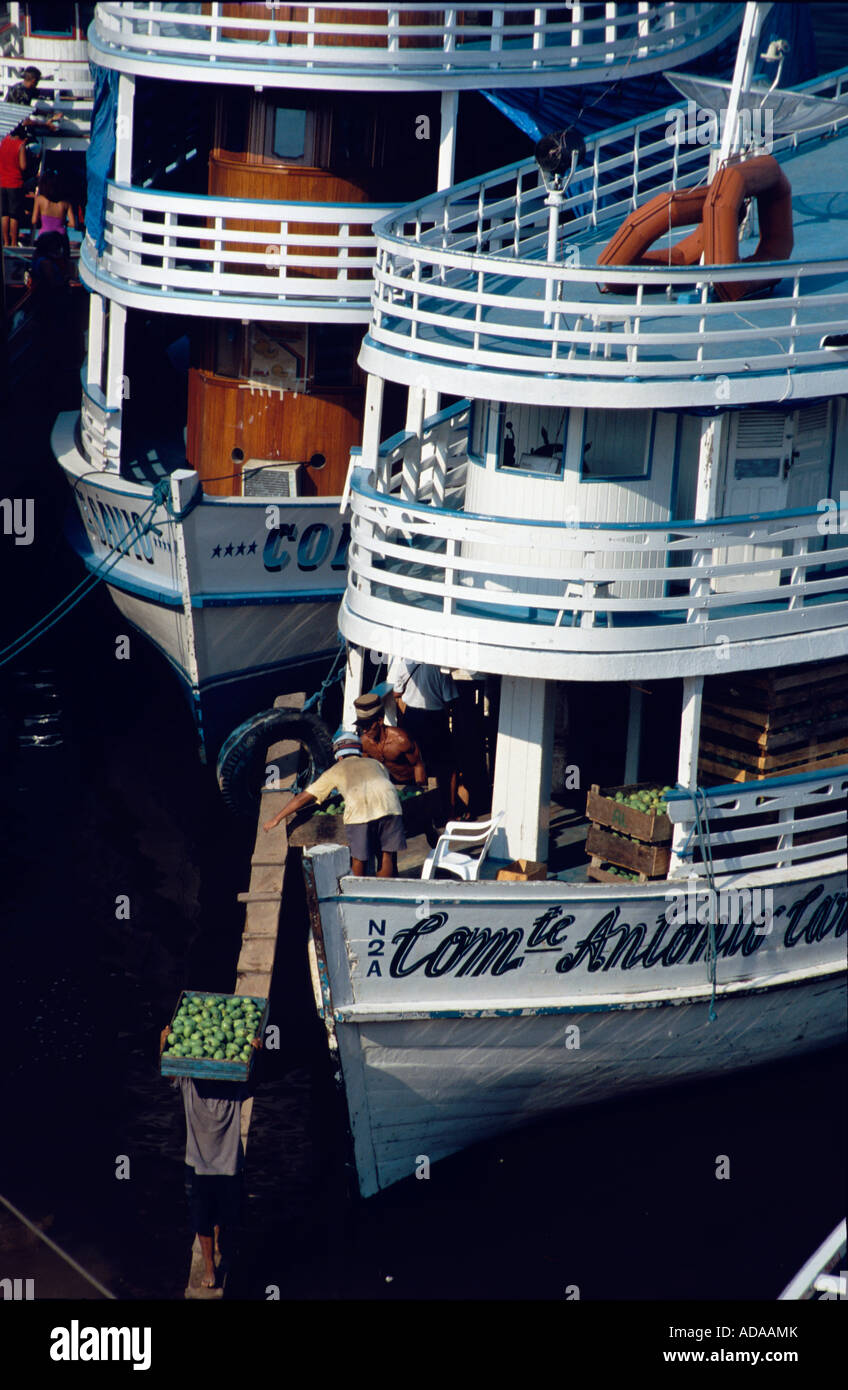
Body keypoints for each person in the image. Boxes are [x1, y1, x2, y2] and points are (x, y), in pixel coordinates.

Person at [160, 1026, 261, 1290]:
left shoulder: (233, 1087)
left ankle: (217, 1238)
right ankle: (208, 1266)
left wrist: (256, 1053)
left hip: (228, 1166)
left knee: (224, 1218)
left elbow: (255, 1079)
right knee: (201, 1220)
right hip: (199, 1166)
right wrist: (163, 1043)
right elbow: (168, 1071)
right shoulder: (189, 1083)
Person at [263, 729, 406, 877]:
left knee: (359, 858)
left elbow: (303, 797)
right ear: (359, 751)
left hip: (360, 812)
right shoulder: (376, 763)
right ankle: (382, 892)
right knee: (386, 855)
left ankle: (356, 894)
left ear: (339, 757)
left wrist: (276, 818)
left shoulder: (336, 770)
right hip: (392, 807)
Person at [387, 658, 460, 817]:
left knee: (417, 764)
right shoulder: (440, 667)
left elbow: (397, 692)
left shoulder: (405, 663)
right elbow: (450, 699)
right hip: (435, 719)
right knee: (448, 767)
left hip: (411, 718)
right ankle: (450, 811)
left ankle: (421, 810)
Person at [353, 689, 426, 787]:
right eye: (362, 726)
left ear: (380, 721)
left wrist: (421, 790)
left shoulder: (401, 740)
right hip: (390, 783)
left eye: (368, 726)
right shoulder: (364, 743)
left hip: (413, 782)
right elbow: (368, 769)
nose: (365, 731)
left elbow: (418, 765)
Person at [0, 122, 30, 246]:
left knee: (4, 214)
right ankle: (13, 242)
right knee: (14, 215)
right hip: (14, 183)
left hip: (2, 182)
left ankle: (5, 241)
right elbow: (23, 166)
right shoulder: (20, 145)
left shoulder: (3, 141)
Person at [31, 171, 75, 252]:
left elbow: (34, 220)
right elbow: (72, 224)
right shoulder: (66, 203)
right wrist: (63, 222)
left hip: (45, 235)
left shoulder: (40, 200)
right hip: (60, 236)